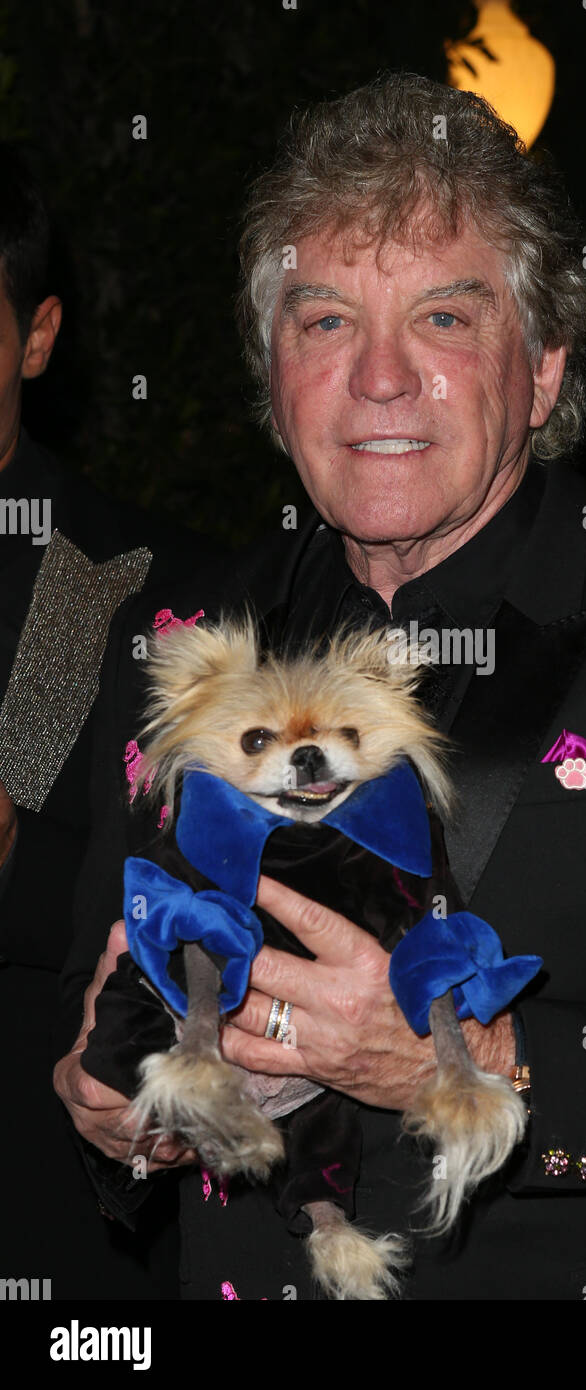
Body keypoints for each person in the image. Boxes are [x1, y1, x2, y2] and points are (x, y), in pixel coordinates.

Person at [55, 73, 586, 1301]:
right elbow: (98, 1003)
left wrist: (480, 1059)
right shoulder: (183, 631)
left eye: (446, 318)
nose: (380, 379)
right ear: (272, 378)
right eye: (325, 320)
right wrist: (117, 1116)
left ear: (543, 369)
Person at [0, 145, 217, 1297]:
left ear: (35, 338)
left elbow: (186, 903)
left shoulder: (108, 579)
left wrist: (16, 852)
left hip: (53, 1215)